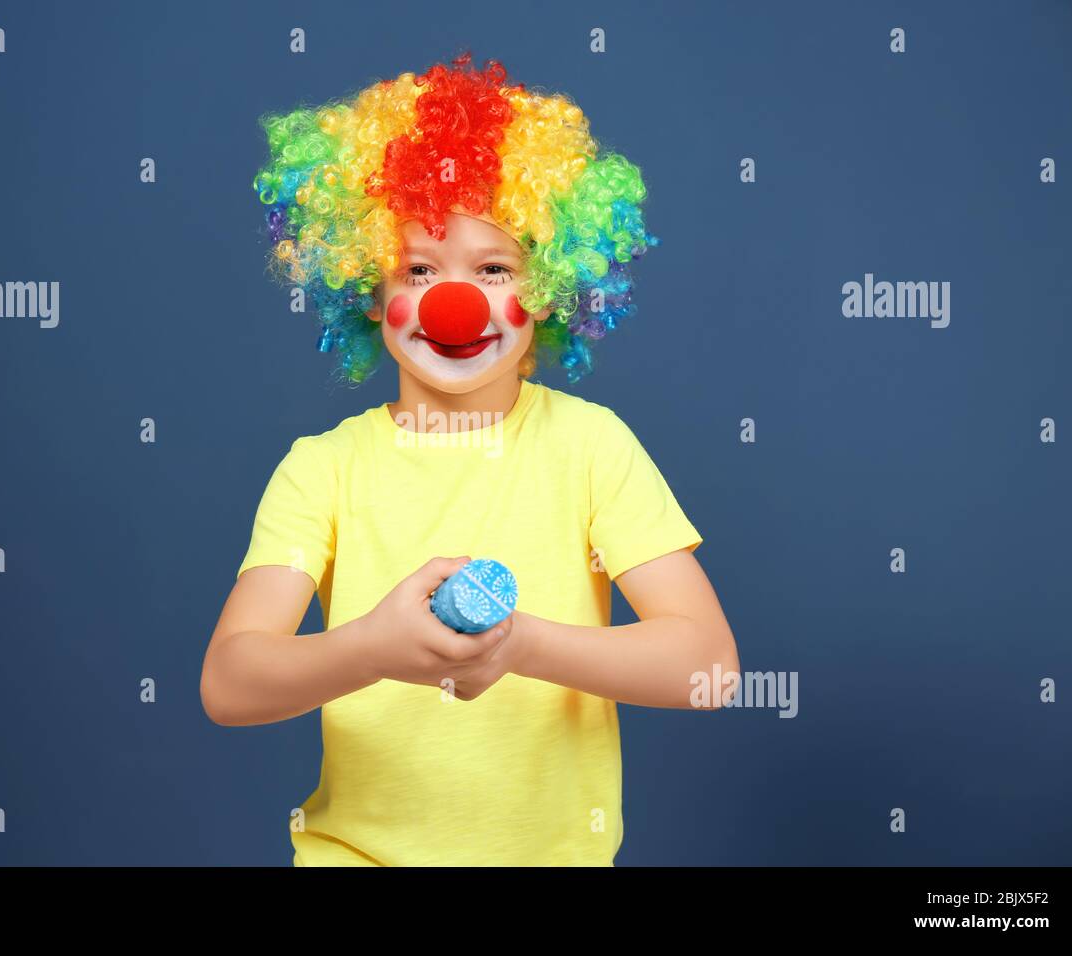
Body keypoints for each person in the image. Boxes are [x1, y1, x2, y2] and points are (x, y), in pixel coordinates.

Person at [200, 53, 739, 866]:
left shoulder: (591, 446)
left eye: (494, 269)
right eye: (420, 269)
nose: (458, 303)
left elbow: (708, 666)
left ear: (549, 288)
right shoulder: (322, 469)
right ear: (370, 292)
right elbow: (230, 685)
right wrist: (374, 648)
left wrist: (519, 645)